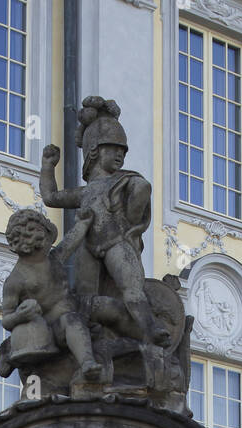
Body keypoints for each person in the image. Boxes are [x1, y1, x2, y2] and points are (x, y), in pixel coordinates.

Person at [39, 95, 171, 348]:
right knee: (85, 301)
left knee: (132, 290)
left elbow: (143, 187)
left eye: (123, 150)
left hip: (116, 241)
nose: (120, 155)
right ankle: (94, 343)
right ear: (95, 151)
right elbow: (50, 197)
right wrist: (48, 166)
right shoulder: (86, 191)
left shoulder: (125, 180)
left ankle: (150, 327)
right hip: (88, 249)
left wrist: (130, 219)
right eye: (114, 148)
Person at [1, 207, 104, 381]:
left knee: (111, 308)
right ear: (25, 246)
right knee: (71, 321)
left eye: (44, 234)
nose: (46, 244)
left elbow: (70, 243)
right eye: (34, 233)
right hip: (52, 327)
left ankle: (147, 336)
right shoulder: (15, 281)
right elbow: (6, 319)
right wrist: (20, 315)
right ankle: (87, 363)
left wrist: (84, 223)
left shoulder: (53, 259)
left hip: (77, 306)